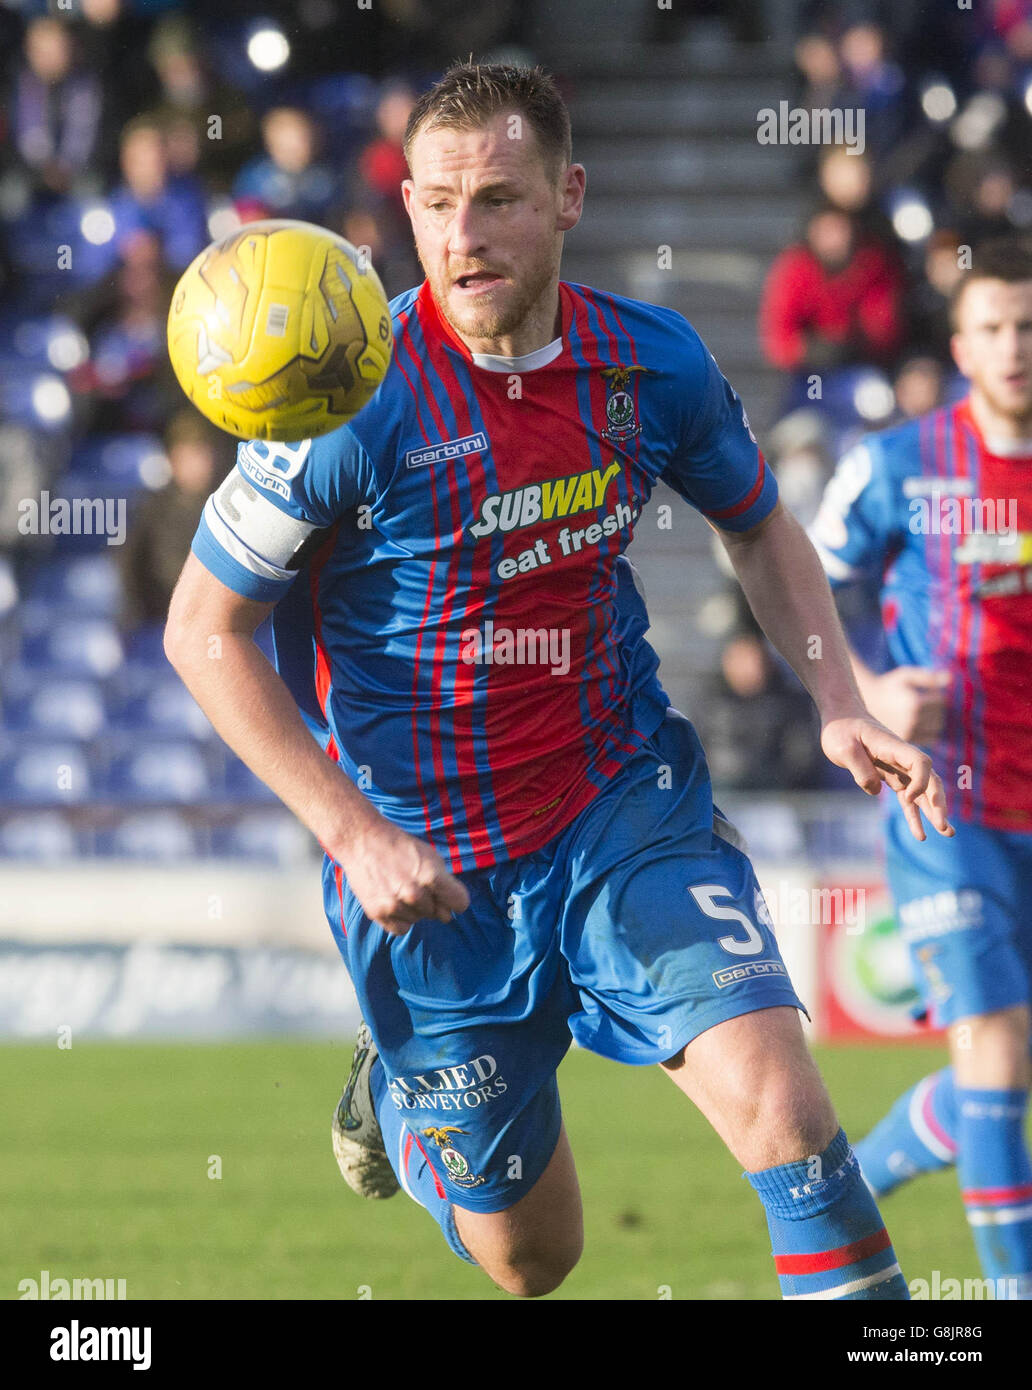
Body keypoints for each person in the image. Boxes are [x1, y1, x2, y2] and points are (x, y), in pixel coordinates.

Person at [164, 62, 950, 1300]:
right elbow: (203, 631)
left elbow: (759, 525)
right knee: (536, 1262)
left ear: (570, 197)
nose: (463, 236)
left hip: (620, 810)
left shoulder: (650, 366)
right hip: (430, 868)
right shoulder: (343, 404)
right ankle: (408, 1110)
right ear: (405, 209)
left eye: (499, 200)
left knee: (793, 1126)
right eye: (436, 204)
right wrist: (353, 834)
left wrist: (839, 697)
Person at [809, 237, 1032, 1298]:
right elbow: (797, 579)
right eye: (995, 327)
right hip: (947, 807)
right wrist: (867, 692)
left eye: (1030, 327)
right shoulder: (902, 464)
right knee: (992, 1038)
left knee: (999, 1072)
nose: (1016, 347)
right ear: (961, 343)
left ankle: (849, 1181)